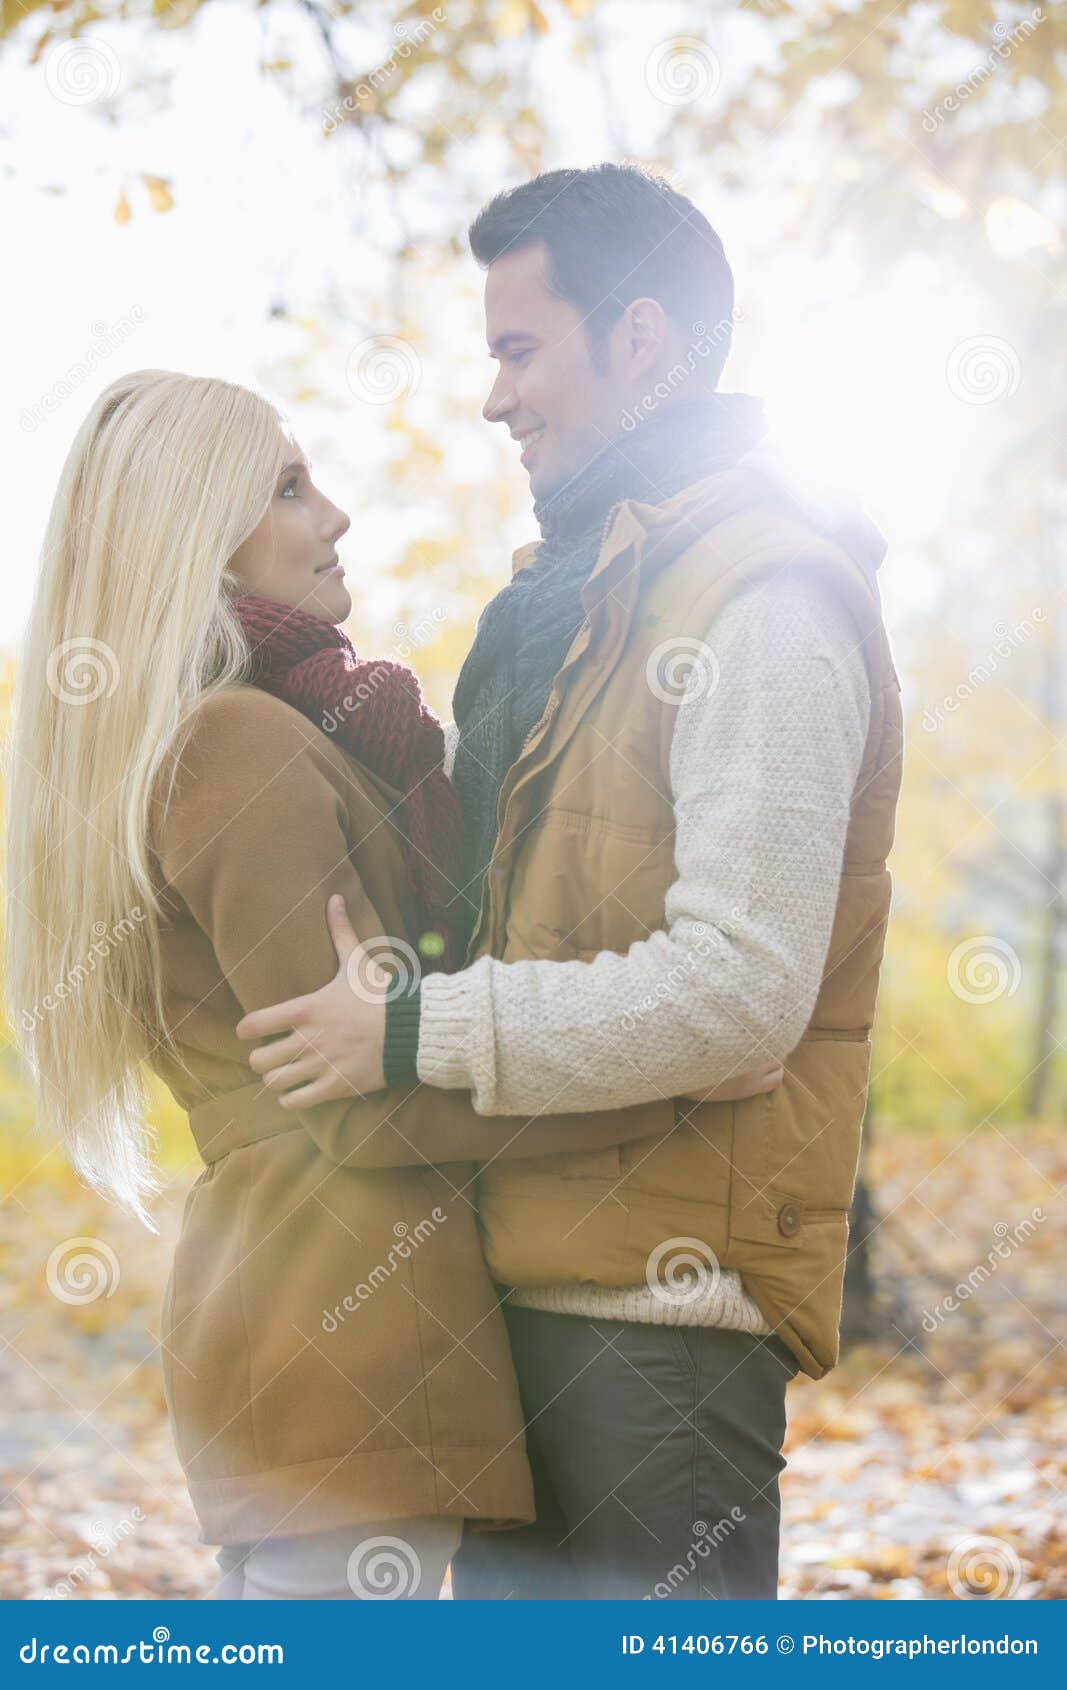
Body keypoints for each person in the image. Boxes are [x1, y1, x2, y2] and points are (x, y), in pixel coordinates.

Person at [239, 164, 904, 1600]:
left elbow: (737, 991)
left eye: (519, 349)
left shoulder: (764, 598)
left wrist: (413, 1031)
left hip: (656, 1340)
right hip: (503, 1306)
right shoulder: (568, 608)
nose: (494, 397)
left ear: (645, 342)